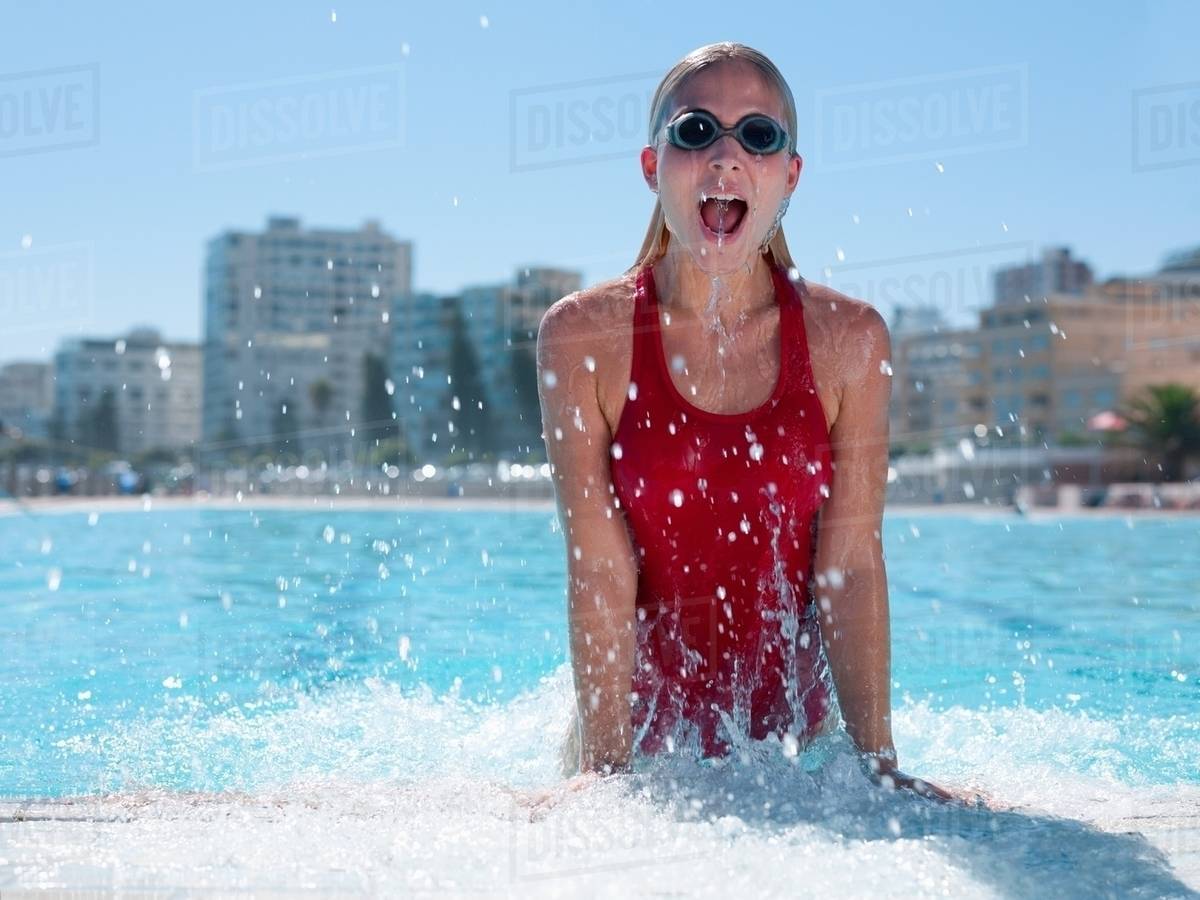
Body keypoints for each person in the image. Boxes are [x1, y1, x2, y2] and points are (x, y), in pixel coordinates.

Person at [535, 42, 975, 807]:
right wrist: (602, 775)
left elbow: (853, 565)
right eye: (696, 131)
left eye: (759, 136)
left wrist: (875, 765)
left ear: (790, 177)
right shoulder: (584, 337)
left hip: (792, 750)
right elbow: (599, 565)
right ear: (652, 167)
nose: (726, 156)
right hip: (637, 742)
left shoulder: (848, 340)